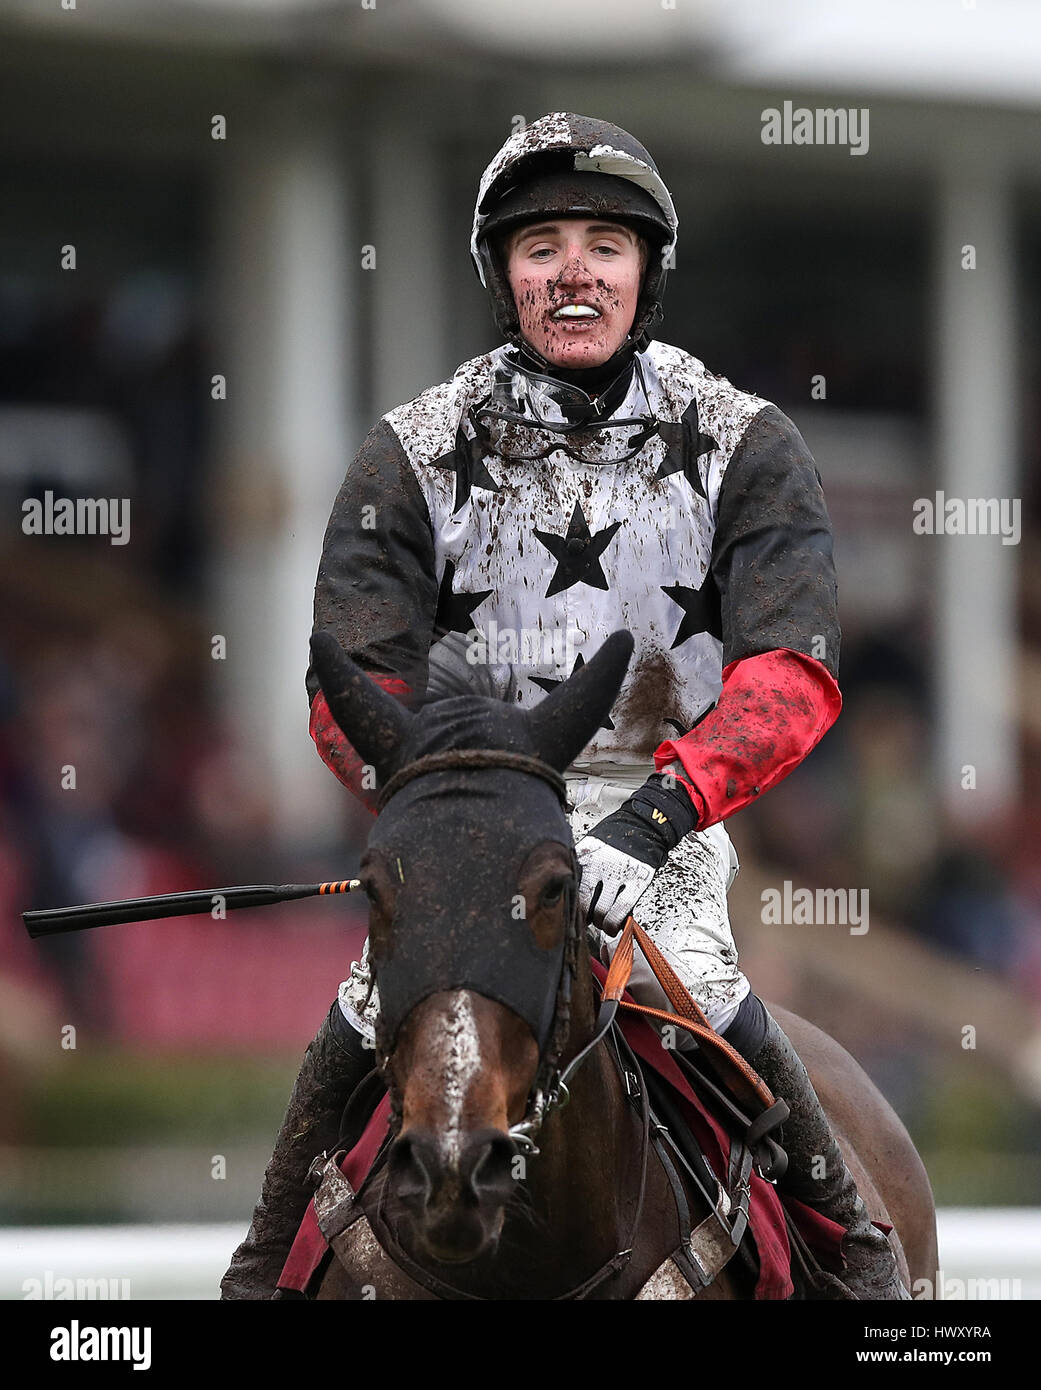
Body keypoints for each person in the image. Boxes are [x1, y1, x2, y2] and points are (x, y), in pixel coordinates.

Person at [221, 111, 906, 1299]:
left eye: (604, 243)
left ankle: (867, 1265)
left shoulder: (746, 444)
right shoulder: (412, 450)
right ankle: (252, 1271)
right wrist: (461, 812)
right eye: (542, 246)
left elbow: (791, 676)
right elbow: (351, 688)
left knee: (709, 986)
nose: (575, 270)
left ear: (647, 273)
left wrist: (655, 816)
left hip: (663, 826)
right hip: (467, 818)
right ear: (504, 276)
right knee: (363, 1009)